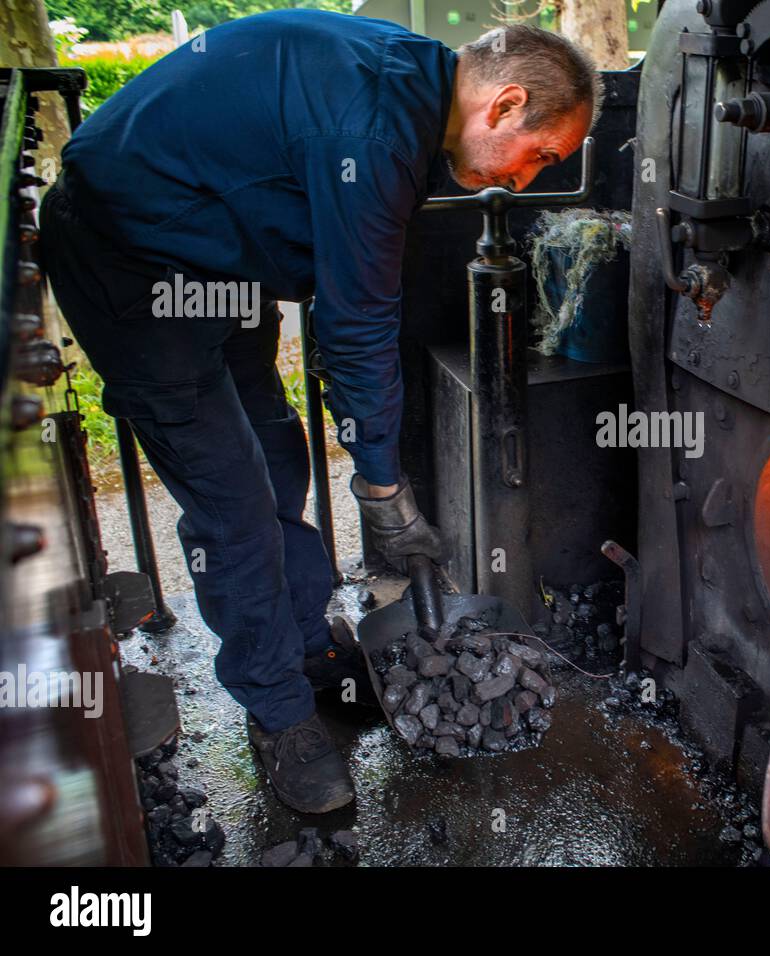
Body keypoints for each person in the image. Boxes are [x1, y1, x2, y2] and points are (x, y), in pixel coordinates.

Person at [40, 9, 602, 813]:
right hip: (129, 263)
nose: (526, 181)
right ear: (505, 105)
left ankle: (306, 648)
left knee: (276, 455)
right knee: (232, 501)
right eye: (538, 157)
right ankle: (277, 713)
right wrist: (383, 491)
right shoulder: (376, 132)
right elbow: (356, 322)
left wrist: (374, 475)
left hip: (220, 259)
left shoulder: (416, 81)